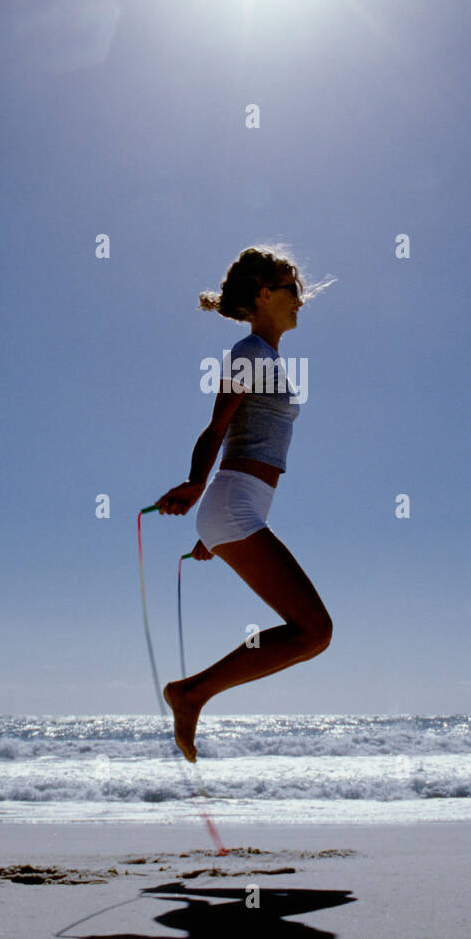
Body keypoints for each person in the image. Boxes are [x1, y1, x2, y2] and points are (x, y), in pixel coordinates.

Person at [155, 245, 334, 762]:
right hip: (231, 502)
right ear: (264, 294)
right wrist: (194, 485)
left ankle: (192, 692)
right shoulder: (250, 353)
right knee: (313, 631)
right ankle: (191, 693)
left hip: (236, 507)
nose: (300, 301)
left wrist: (212, 529)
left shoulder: (268, 357)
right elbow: (217, 428)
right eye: (292, 290)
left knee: (311, 631)